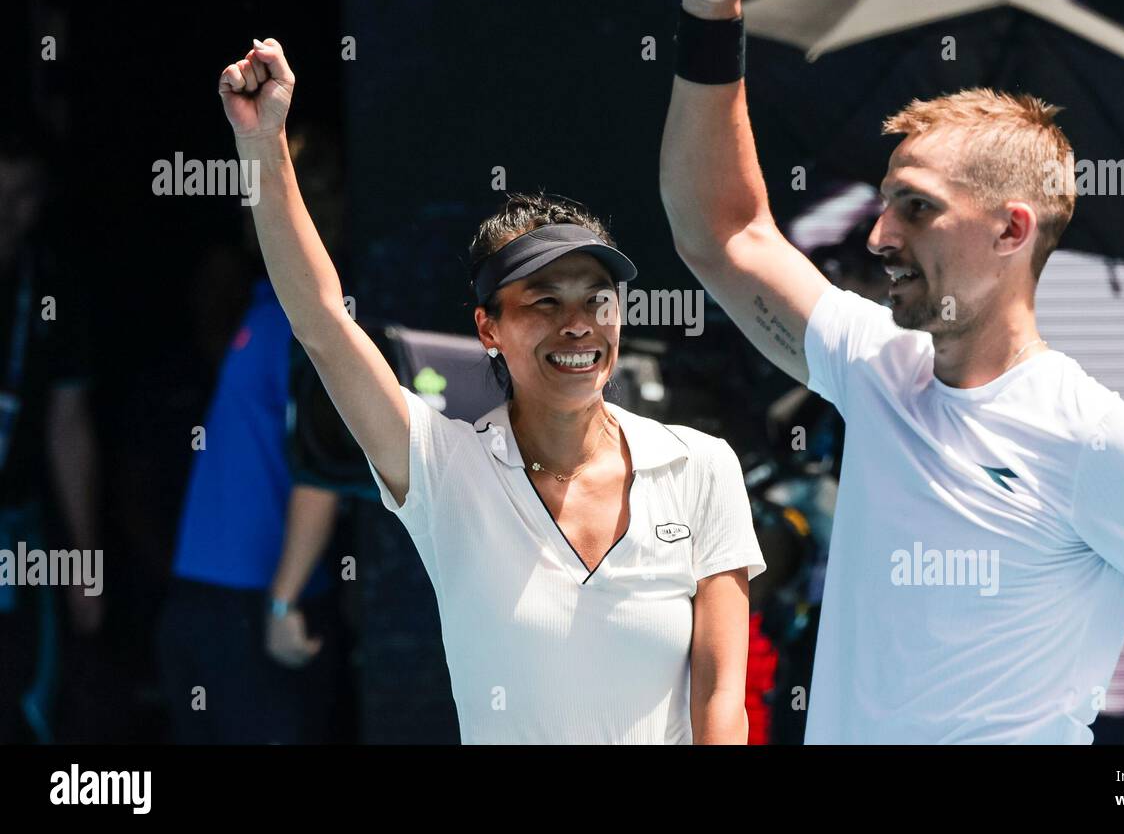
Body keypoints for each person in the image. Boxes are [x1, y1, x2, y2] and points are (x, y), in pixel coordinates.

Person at [658, 0, 1124, 743]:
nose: (879, 236)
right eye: (885, 203)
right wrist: (712, 20)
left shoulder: (1112, 444)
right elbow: (724, 233)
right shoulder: (871, 362)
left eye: (916, 208)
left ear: (1011, 230)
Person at [216, 38, 765, 744]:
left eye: (598, 300)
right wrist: (263, 144)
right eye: (544, 302)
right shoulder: (444, 468)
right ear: (488, 329)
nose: (578, 326)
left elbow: (722, 702)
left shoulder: (702, 466)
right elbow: (321, 322)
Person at [154, 126, 348, 743]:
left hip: (262, 607)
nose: (252, 197)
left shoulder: (322, 320)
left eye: (279, 184)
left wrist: (283, 602)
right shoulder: (266, 304)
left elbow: (328, 468)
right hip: (206, 600)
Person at [0, 124, 102, 743]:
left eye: (21, 198)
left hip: (20, 537)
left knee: (28, 706)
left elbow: (70, 430)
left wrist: (85, 567)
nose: (7, 216)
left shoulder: (51, 289)